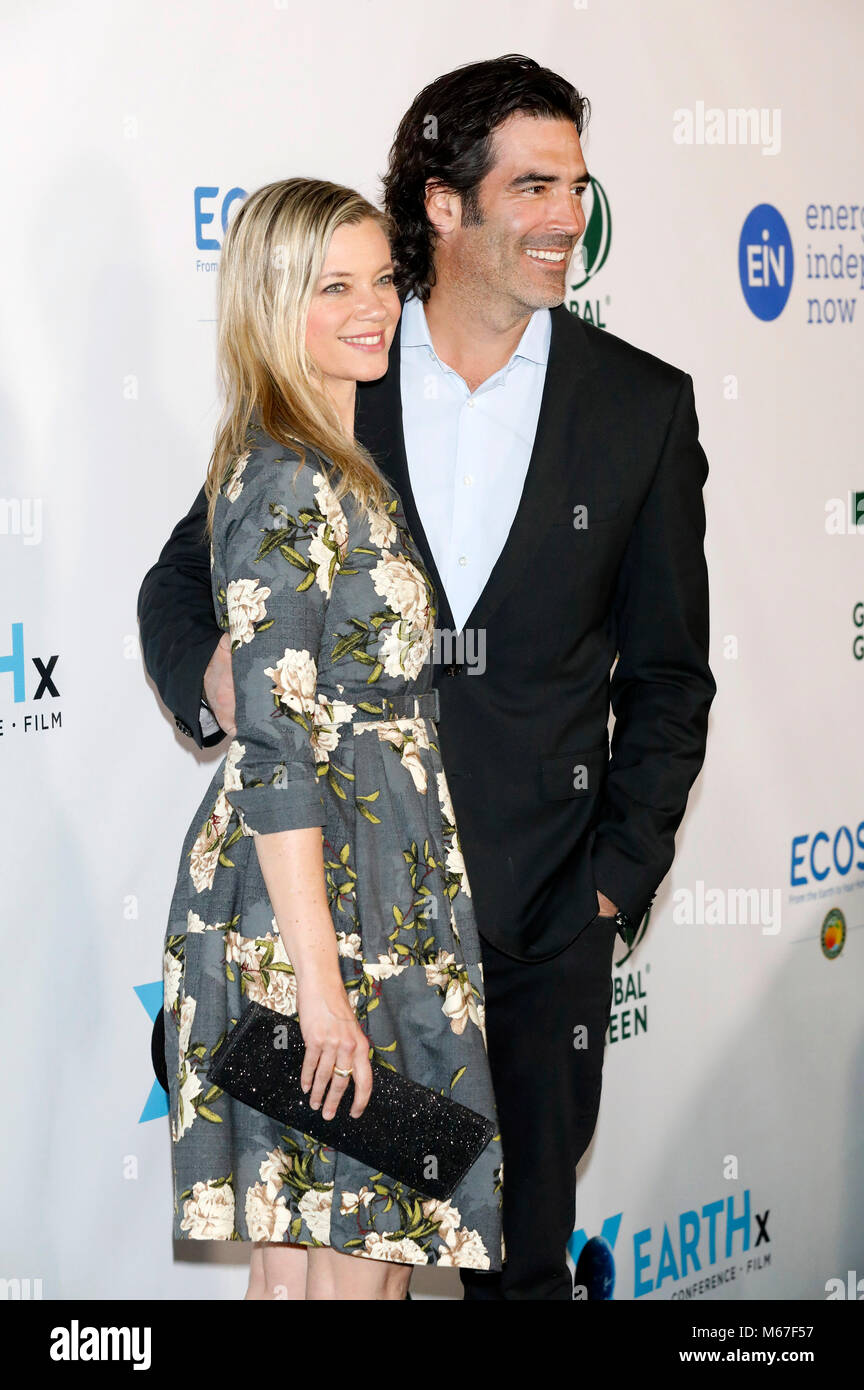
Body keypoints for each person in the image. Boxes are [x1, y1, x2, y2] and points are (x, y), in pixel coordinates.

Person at [139, 55, 716, 1300]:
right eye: (533, 185)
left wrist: (610, 889)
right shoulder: (337, 379)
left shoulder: (640, 409)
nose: (568, 216)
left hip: (526, 938)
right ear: (445, 205)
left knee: (497, 1272)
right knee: (345, 1269)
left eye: (576, 185)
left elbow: (672, 679)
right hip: (335, 931)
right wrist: (243, 692)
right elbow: (183, 590)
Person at [154, 176, 504, 1301]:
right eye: (335, 287)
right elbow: (274, 752)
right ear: (270, 302)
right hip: (318, 923)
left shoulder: (324, 462)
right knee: (350, 1268)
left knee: (335, 1260)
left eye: (383, 280)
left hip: (374, 902)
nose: (376, 308)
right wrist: (322, 993)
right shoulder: (291, 483)